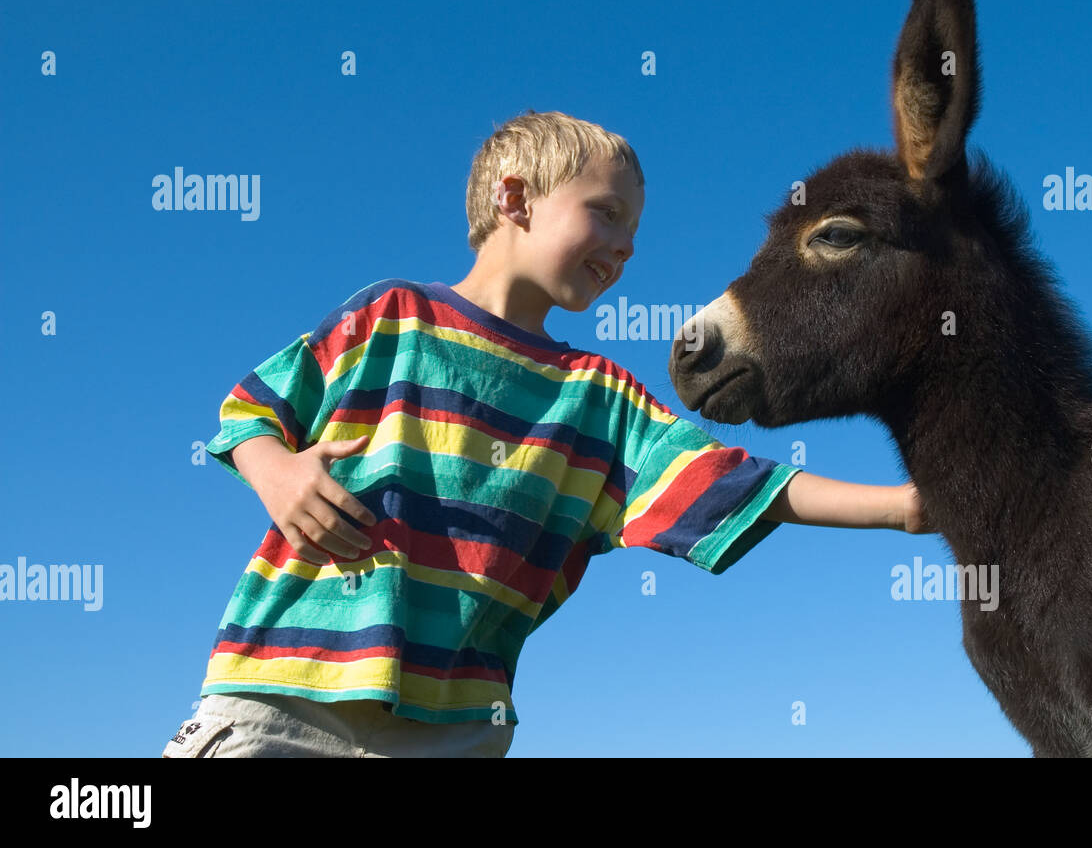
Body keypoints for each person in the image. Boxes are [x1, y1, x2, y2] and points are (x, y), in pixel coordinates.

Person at [162, 110, 933, 759]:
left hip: (454, 730)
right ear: (514, 199)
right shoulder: (390, 317)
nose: (626, 246)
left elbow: (728, 481)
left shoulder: (598, 398)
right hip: (284, 696)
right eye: (607, 213)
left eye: (634, 233)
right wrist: (276, 472)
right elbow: (250, 411)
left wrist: (901, 506)